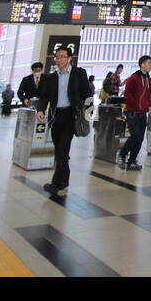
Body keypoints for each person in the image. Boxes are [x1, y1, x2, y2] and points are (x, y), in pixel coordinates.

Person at [36, 46, 95, 197]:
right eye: (57, 57)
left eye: (63, 56)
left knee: (62, 150)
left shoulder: (79, 74)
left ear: (70, 58)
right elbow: (44, 97)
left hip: (71, 116)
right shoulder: (50, 77)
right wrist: (40, 110)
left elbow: (87, 94)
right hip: (56, 117)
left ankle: (57, 184)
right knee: (60, 152)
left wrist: (89, 114)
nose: (59, 60)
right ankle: (65, 180)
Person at [119, 55, 151, 170]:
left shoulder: (149, 80)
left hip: (143, 113)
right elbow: (127, 94)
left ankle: (132, 160)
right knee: (136, 135)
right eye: (149, 63)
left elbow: (148, 95)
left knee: (140, 139)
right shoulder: (133, 78)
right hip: (132, 112)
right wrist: (134, 105)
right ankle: (123, 153)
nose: (150, 65)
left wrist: (147, 106)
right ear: (142, 64)